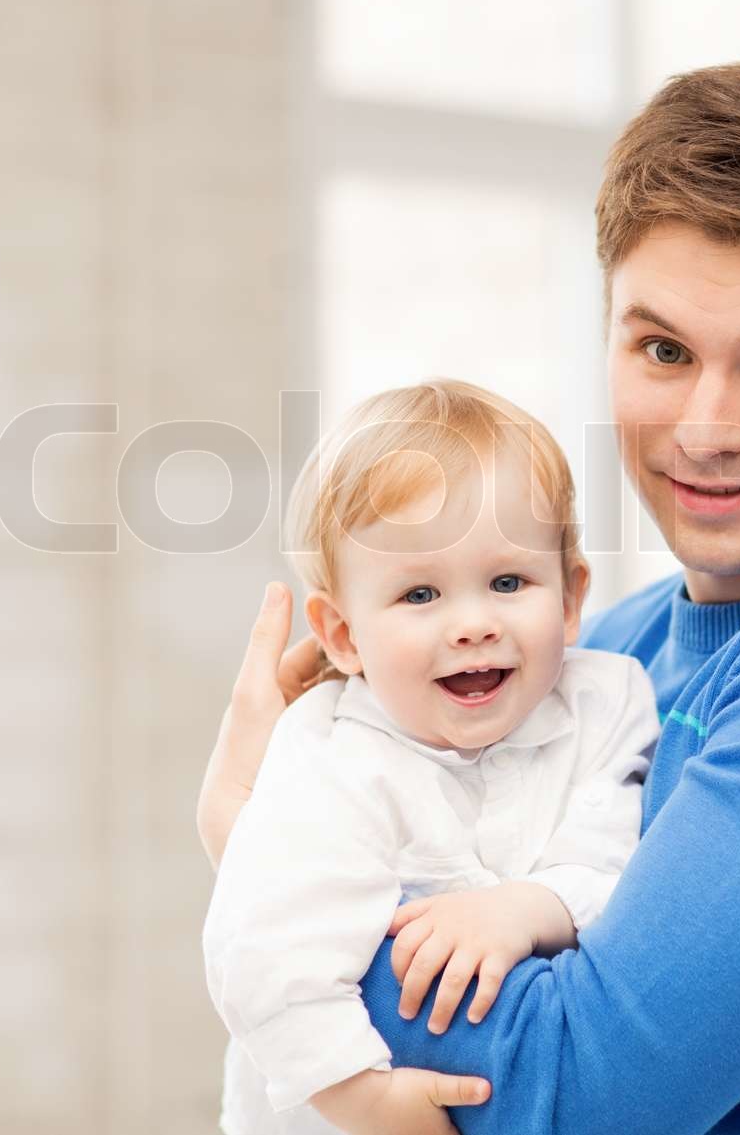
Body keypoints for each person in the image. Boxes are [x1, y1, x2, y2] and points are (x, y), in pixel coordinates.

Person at [198, 53, 740, 1134]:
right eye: (662, 348)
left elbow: (575, 1093)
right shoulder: (608, 655)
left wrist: (263, 852)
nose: (706, 427)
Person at [203, 380, 660, 1135]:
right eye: (420, 594)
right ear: (344, 635)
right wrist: (364, 1099)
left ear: (573, 598)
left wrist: (527, 908)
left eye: (509, 581)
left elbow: (627, 870)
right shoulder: (331, 758)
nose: (475, 622)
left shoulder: (605, 704)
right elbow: (263, 952)